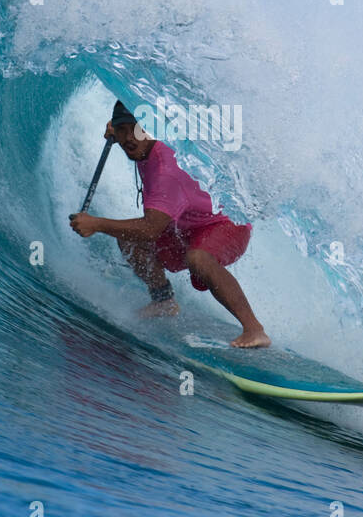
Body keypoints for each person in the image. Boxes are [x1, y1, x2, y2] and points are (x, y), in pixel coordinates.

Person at [69, 100, 270, 348]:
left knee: (198, 258)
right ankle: (163, 301)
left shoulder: (166, 170)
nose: (129, 138)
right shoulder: (139, 144)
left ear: (149, 129)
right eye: (123, 131)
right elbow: (127, 131)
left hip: (227, 225)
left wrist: (97, 224)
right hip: (185, 228)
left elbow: (152, 228)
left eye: (137, 130)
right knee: (128, 237)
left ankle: (254, 329)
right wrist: (119, 128)